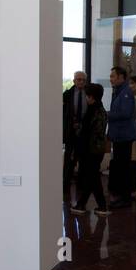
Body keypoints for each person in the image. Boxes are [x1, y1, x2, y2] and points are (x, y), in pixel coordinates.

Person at [70, 83, 109, 216]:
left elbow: (92, 133)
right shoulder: (97, 110)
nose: (86, 98)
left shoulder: (96, 111)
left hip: (91, 151)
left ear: (91, 97)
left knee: (93, 178)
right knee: (91, 177)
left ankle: (100, 206)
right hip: (92, 150)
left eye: (87, 96)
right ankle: (85, 204)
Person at [107, 66, 136, 208]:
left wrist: (108, 115)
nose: (111, 79)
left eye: (113, 76)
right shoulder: (118, 91)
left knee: (123, 167)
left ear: (121, 77)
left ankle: (125, 198)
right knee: (119, 166)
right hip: (119, 135)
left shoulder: (125, 93)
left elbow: (125, 113)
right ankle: (121, 195)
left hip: (124, 136)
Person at [62, 70, 88, 200]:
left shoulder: (89, 94)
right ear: (74, 81)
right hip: (71, 133)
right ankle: (65, 186)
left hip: (84, 134)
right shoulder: (67, 94)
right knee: (69, 161)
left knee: (83, 160)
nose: (81, 82)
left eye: (83, 80)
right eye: (79, 79)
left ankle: (81, 186)